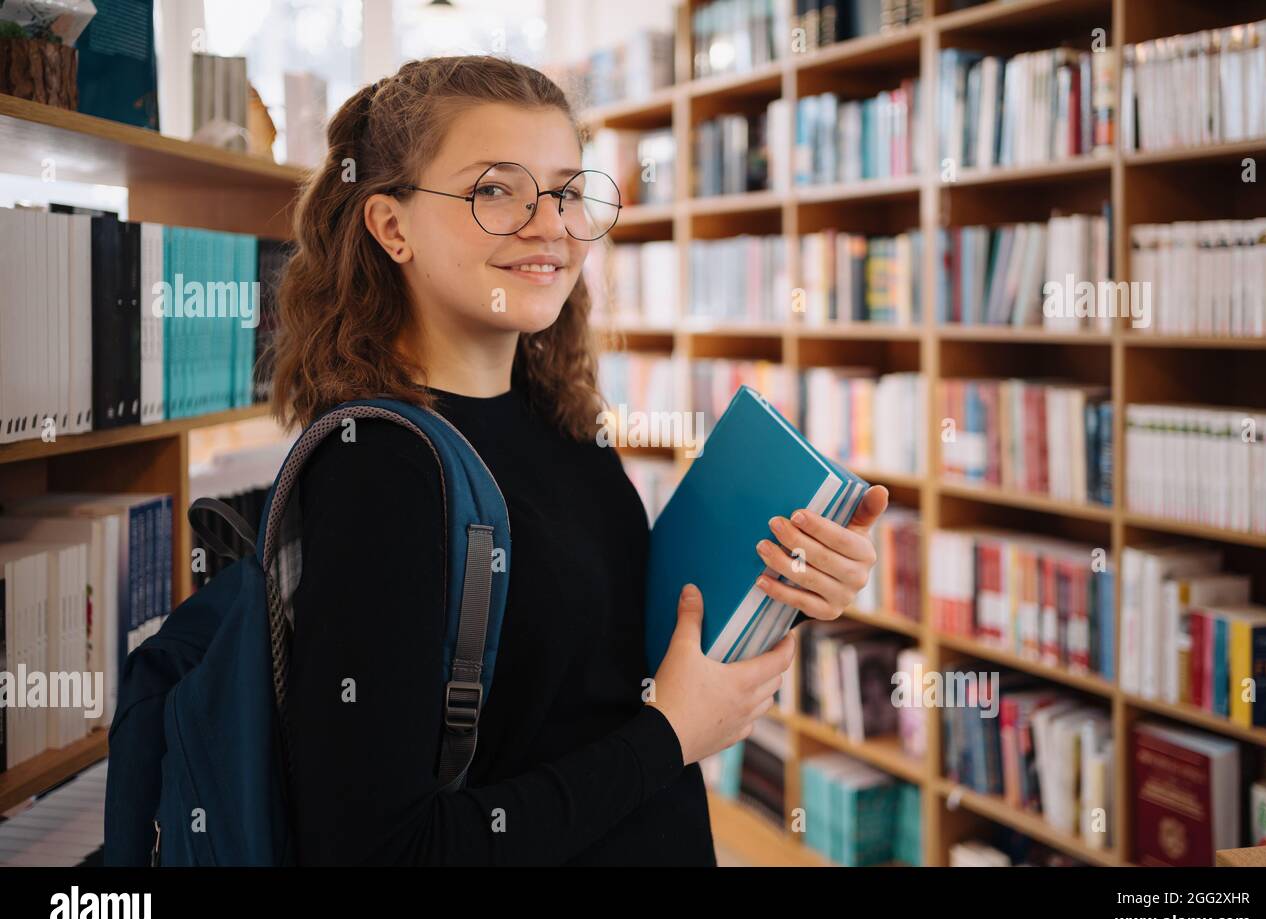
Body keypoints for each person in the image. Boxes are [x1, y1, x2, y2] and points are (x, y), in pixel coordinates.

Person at [267, 54, 889, 865]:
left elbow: (596, 660)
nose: (550, 226)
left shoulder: (557, 416)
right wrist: (667, 738)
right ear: (392, 227)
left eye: (564, 191)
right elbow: (379, 850)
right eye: (496, 190)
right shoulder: (380, 468)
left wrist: (792, 585)